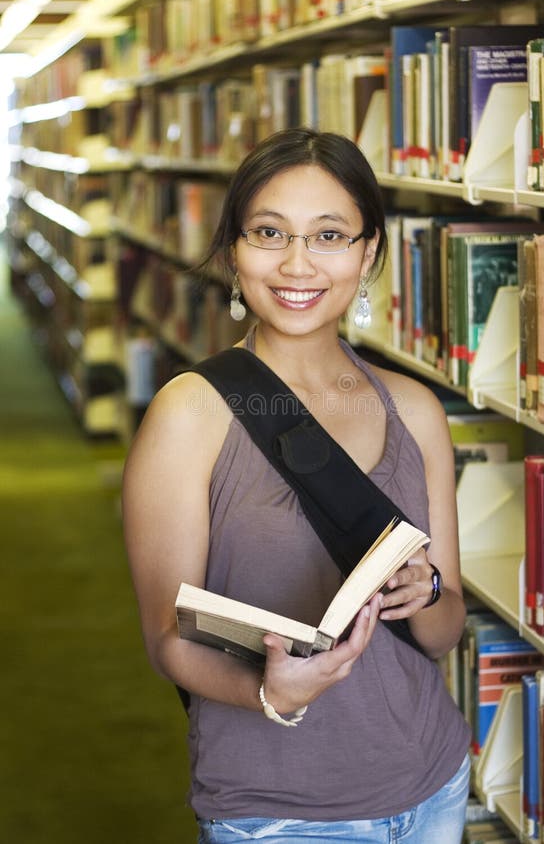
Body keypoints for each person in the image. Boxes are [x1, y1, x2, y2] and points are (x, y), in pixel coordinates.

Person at [122, 127, 471, 843]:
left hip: (433, 782)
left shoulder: (416, 410)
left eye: (330, 236)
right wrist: (268, 691)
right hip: (280, 810)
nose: (298, 263)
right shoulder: (190, 414)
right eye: (269, 232)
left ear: (369, 251)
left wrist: (425, 591)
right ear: (233, 248)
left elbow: (444, 632)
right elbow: (166, 640)